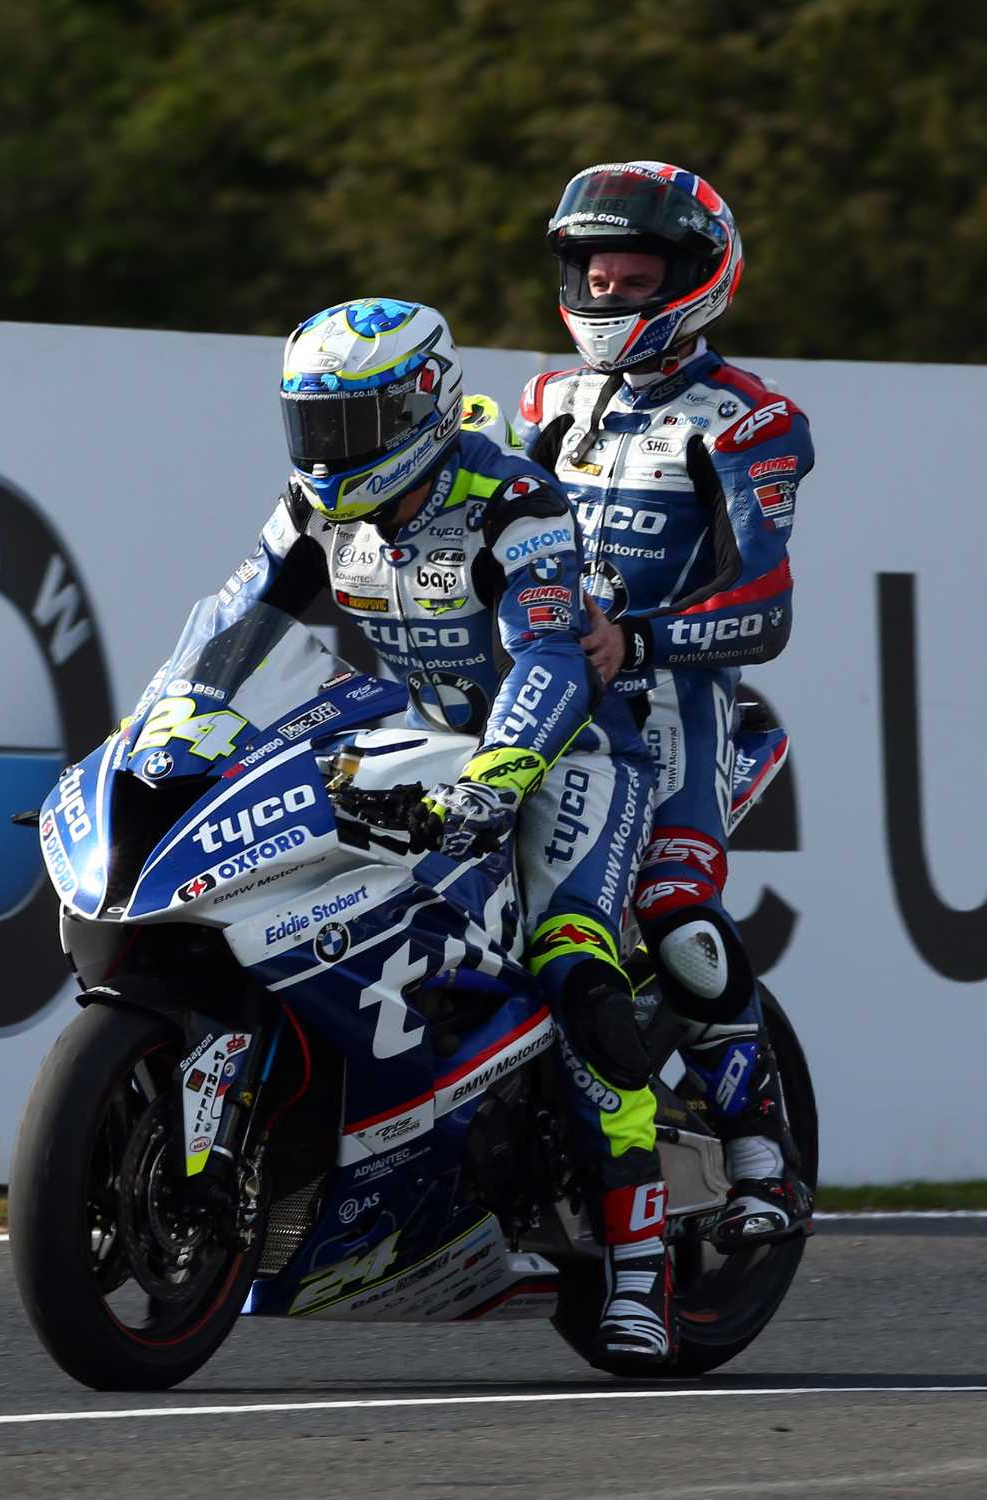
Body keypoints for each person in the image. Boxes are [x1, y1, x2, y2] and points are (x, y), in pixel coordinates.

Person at [220, 297, 673, 1367]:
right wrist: (188, 715)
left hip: (570, 754)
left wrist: (496, 778)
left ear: (420, 405)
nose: (327, 453)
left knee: (574, 959)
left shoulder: (514, 499)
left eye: (352, 425)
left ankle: (642, 1261)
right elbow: (239, 620)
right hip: (418, 743)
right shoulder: (313, 509)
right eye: (311, 426)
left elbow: (553, 659)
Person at [513, 162, 814, 1248]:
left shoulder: (747, 418)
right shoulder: (543, 401)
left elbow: (767, 604)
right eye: (594, 275)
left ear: (694, 280)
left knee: (673, 911)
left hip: (671, 710)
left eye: (635, 278)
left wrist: (637, 637)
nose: (609, 297)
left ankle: (760, 1155)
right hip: (536, 702)